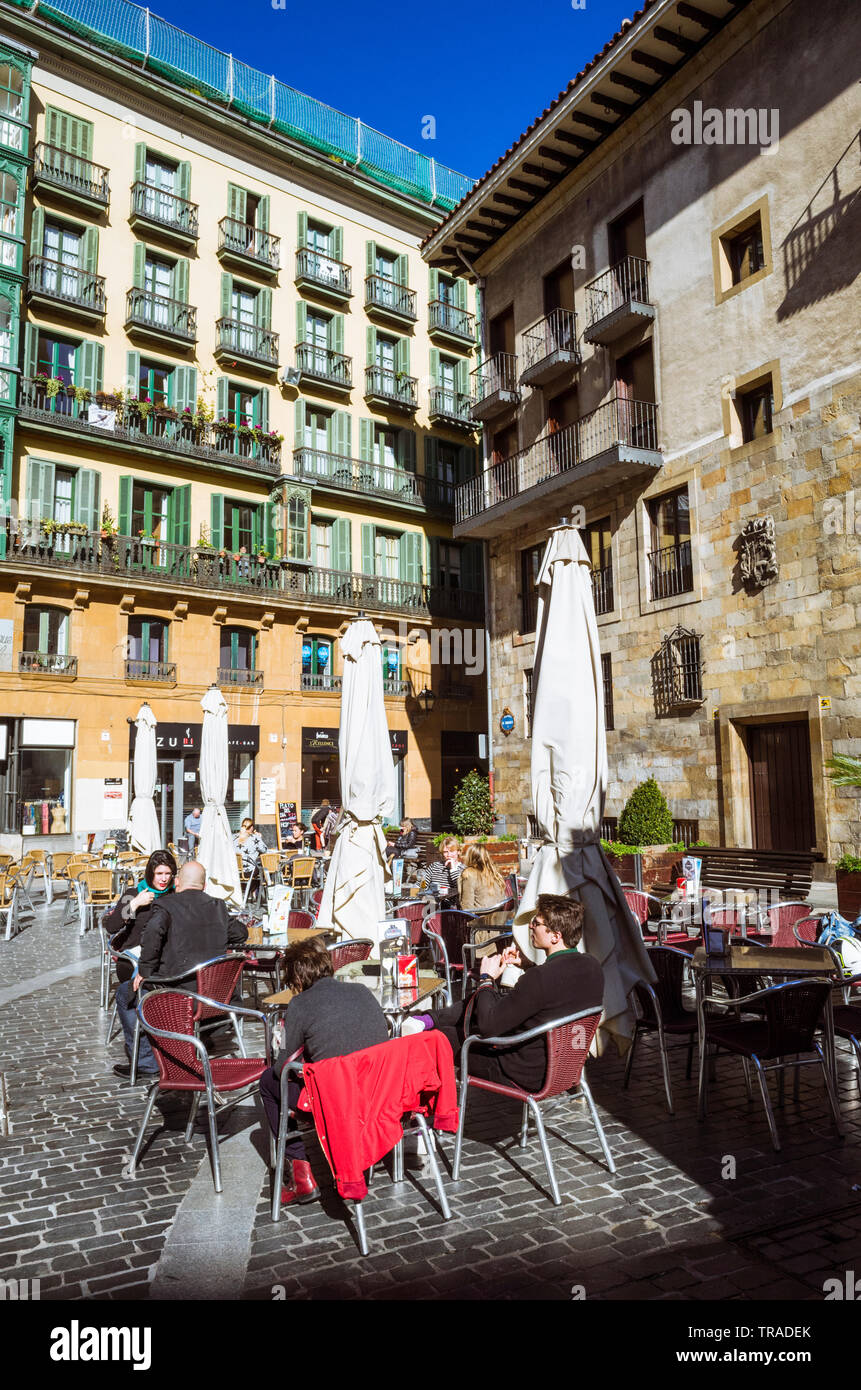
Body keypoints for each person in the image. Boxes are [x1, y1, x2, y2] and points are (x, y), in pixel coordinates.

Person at [422, 894, 604, 1092]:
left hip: (521, 1072)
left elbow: (488, 1027)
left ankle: (425, 1104)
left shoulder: (539, 978)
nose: (530, 926)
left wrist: (486, 979)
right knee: (488, 1002)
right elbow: (558, 990)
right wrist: (528, 966)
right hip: (564, 1070)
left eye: (536, 922)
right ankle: (425, 1020)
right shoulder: (592, 966)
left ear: (555, 936)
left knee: (443, 1037)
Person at [258, 938, 389, 1206]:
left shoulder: (300, 1004)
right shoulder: (362, 991)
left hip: (336, 1101)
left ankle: (301, 1171)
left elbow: (283, 1068)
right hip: (378, 1093)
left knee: (268, 1082)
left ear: (295, 975)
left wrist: (285, 1046)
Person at [102, 849, 177, 1081]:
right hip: (132, 960)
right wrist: (134, 904)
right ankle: (146, 1057)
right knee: (136, 991)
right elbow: (112, 925)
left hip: (166, 959)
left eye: (168, 873)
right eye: (159, 873)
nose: (164, 878)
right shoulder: (135, 892)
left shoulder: (176, 895)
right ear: (150, 873)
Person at [136, 858, 248, 987]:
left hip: (174, 990)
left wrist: (145, 970)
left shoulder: (165, 904)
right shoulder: (218, 906)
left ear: (177, 882)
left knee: (124, 992)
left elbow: (152, 933)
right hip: (214, 990)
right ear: (204, 885)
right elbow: (240, 934)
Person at [420, 836, 462, 908]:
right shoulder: (435, 866)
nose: (449, 855)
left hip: (452, 908)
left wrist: (453, 870)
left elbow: (461, 889)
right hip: (432, 906)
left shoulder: (463, 869)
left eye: (452, 851)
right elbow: (422, 885)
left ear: (458, 852)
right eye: (445, 852)